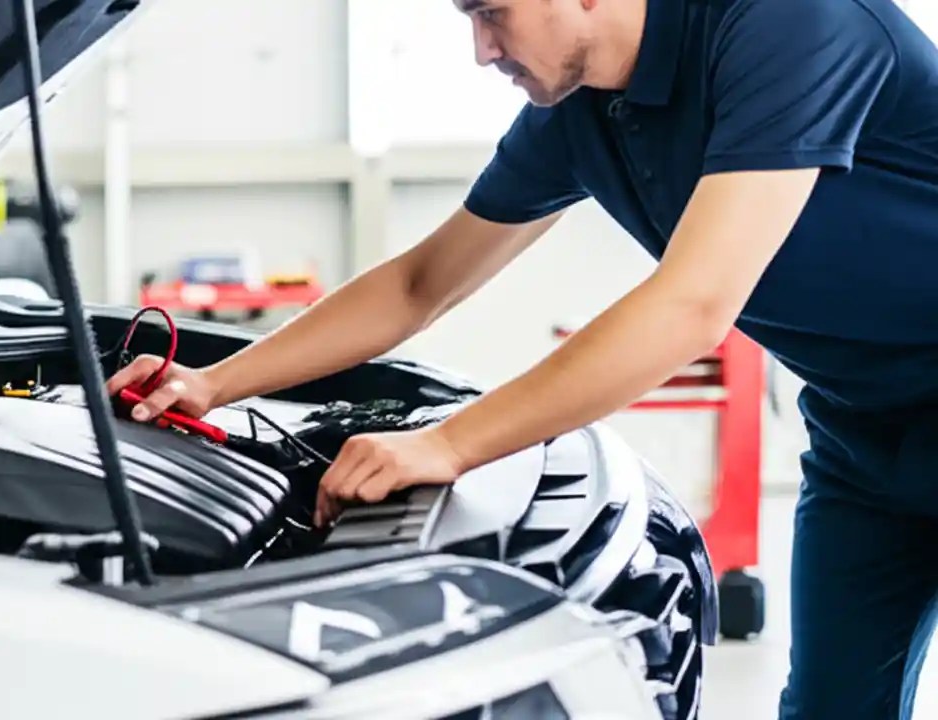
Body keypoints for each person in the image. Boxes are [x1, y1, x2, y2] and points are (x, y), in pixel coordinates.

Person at [106, 0, 938, 717]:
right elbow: (419, 284)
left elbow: (693, 305)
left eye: (490, 13)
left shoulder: (787, 27)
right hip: (861, 439)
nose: (482, 51)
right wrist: (214, 382)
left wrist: (447, 443)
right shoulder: (577, 114)